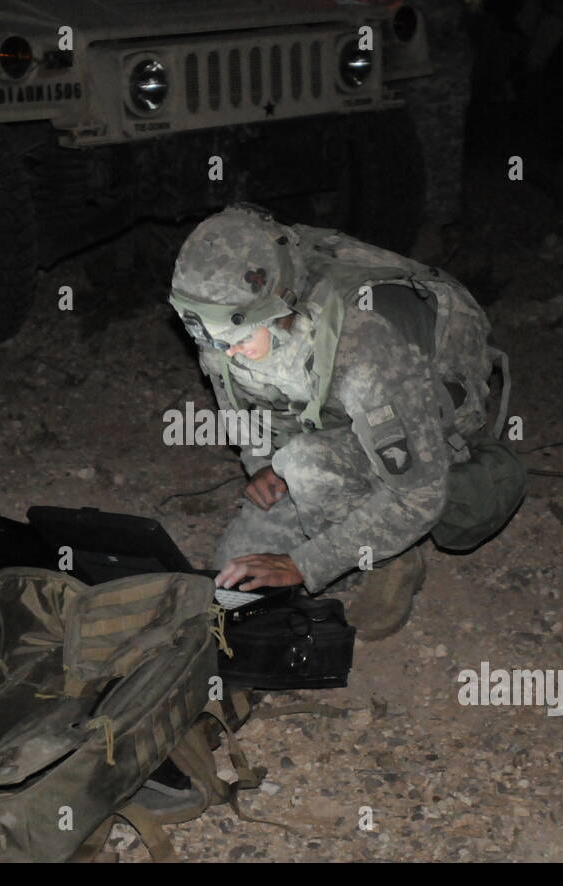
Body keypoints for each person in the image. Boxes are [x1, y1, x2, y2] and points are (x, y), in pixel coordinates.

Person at [169, 205, 495, 640]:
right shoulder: (223, 324)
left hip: (414, 410)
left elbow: (419, 494)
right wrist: (261, 460)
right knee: (235, 574)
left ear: (278, 304)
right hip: (328, 415)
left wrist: (307, 564)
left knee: (307, 465)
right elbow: (236, 398)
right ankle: (329, 497)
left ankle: (390, 559)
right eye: (210, 340)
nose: (224, 352)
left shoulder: (363, 344)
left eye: (240, 339)